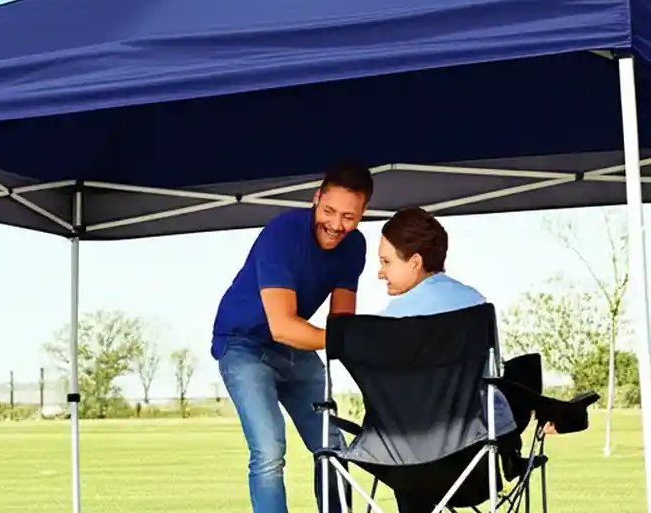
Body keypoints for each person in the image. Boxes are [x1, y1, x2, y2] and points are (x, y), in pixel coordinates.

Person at [211, 162, 373, 513]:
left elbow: (341, 323)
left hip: (293, 345)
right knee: (269, 449)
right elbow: (282, 326)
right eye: (329, 210)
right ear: (316, 198)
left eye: (349, 216)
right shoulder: (283, 232)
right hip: (243, 344)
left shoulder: (354, 246)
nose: (335, 224)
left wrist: (363, 345)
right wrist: (351, 340)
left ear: (362, 214)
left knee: (332, 444)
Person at [374, 206, 519, 513]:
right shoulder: (478, 307)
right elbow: (493, 377)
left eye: (386, 261)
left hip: (407, 466)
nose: (380, 271)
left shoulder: (387, 323)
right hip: (478, 462)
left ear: (415, 262)